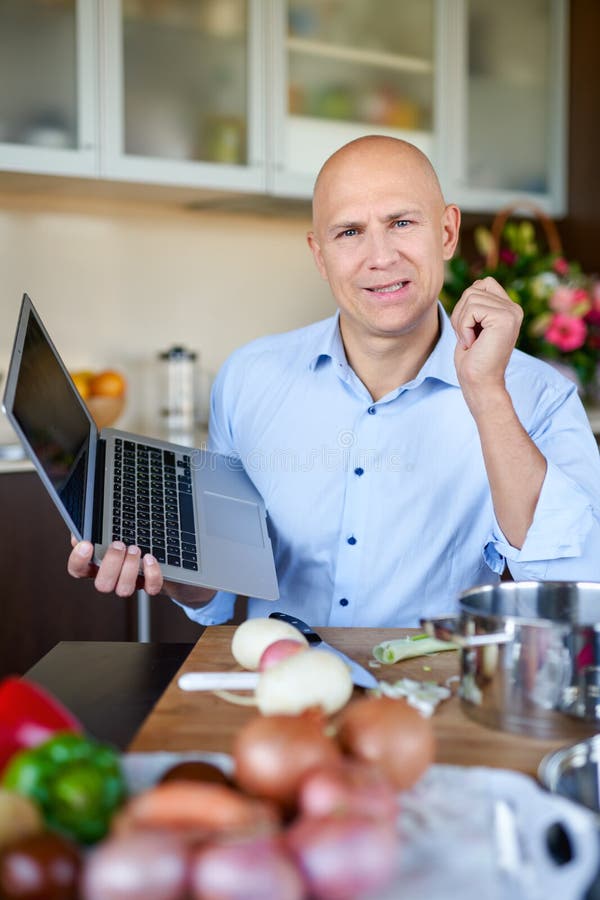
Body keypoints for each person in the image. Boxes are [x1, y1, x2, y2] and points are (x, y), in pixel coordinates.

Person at [68, 136, 600, 627]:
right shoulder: (249, 378)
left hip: (435, 705)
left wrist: (486, 394)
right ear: (320, 255)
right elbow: (220, 596)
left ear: (447, 233)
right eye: (350, 232)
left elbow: (573, 586)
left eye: (402, 223)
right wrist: (173, 574)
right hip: (283, 696)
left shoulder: (537, 396)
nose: (381, 257)